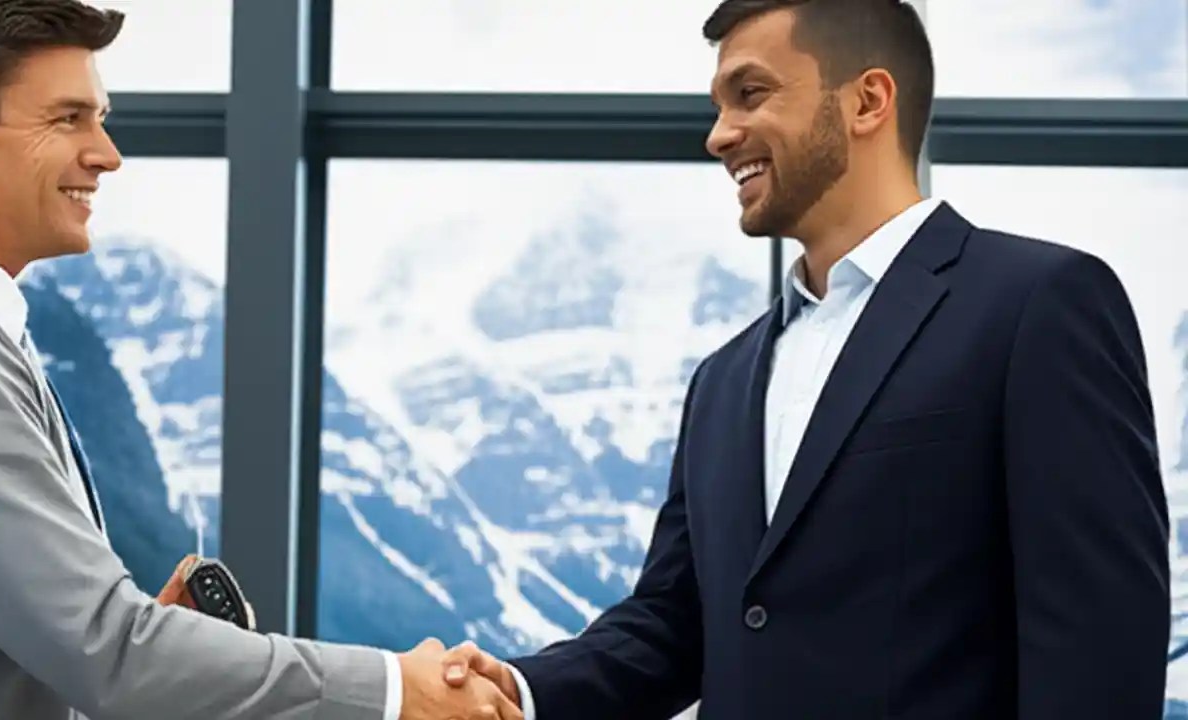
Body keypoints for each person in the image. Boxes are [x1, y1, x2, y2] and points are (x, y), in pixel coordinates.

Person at [440, 0, 1171, 717]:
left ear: (867, 101)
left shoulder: (1037, 306)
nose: (719, 137)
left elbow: (1099, 645)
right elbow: (675, 623)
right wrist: (515, 691)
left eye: (749, 94)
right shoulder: (722, 382)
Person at [0, 2, 522, 719]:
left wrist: (173, 655)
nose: (106, 154)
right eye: (67, 118)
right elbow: (107, 650)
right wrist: (393, 692)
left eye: (98, 117)